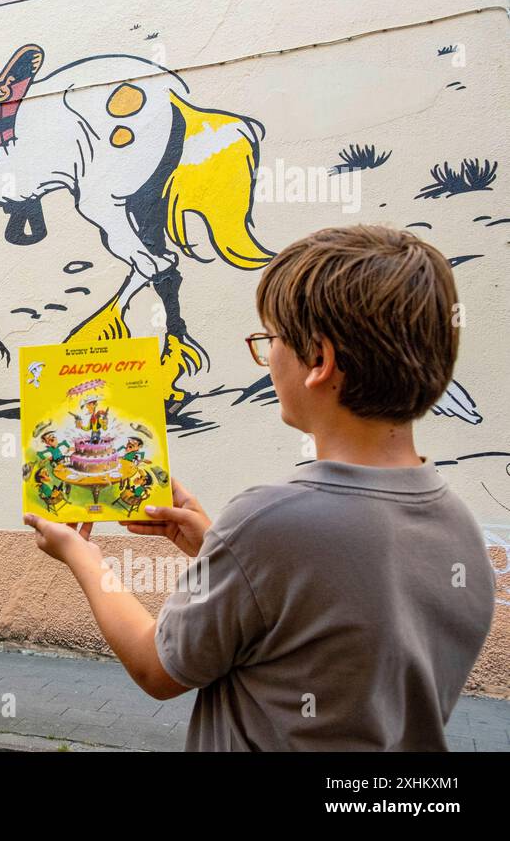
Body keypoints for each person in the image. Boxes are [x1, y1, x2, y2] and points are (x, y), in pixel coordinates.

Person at [26, 225, 496, 750]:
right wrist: (217, 546)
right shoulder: (461, 530)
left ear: (319, 360)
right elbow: (328, 612)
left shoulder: (270, 522)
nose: (266, 356)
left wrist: (82, 554)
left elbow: (158, 669)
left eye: (268, 340)